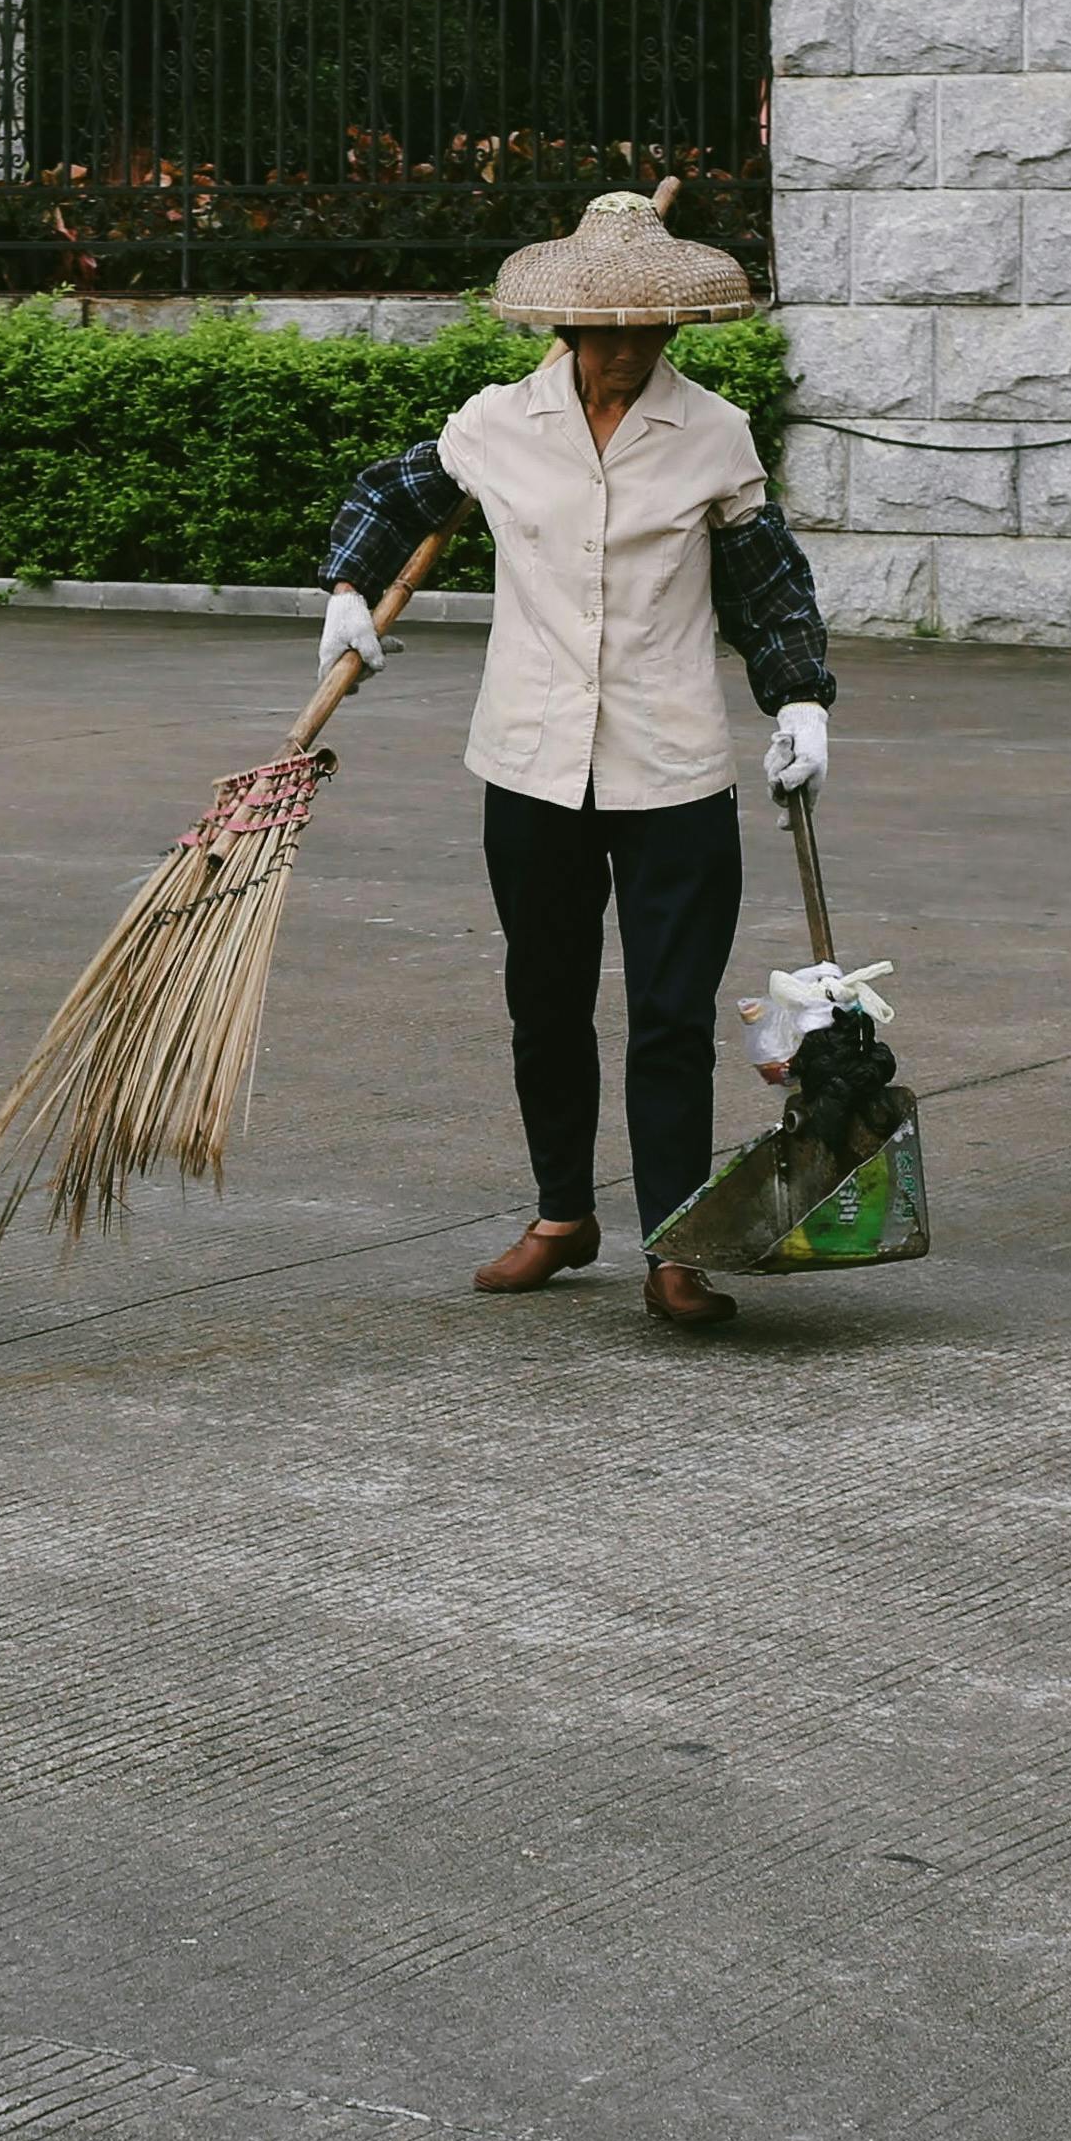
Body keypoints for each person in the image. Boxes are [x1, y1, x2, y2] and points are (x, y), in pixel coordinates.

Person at [316, 188, 834, 1337]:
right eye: (605, 334)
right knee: (543, 1001)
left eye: (647, 335)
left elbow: (765, 581)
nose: (627, 354)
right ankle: (562, 1217)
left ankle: (672, 1245)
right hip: (530, 760)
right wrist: (351, 592)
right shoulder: (496, 423)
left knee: (665, 1011)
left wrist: (799, 697)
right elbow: (391, 496)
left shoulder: (714, 434)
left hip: (672, 767)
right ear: (565, 331)